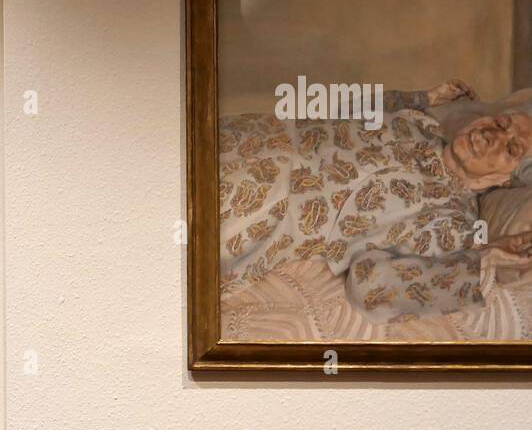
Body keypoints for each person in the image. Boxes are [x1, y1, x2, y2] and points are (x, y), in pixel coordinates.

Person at [219, 81, 532, 323]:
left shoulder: (450, 222)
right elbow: (341, 110)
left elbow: (371, 288)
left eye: (512, 148)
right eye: (502, 123)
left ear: (507, 179)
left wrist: (483, 261)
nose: (495, 135)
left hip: (253, 203)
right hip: (241, 135)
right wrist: (423, 97)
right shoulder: (421, 124)